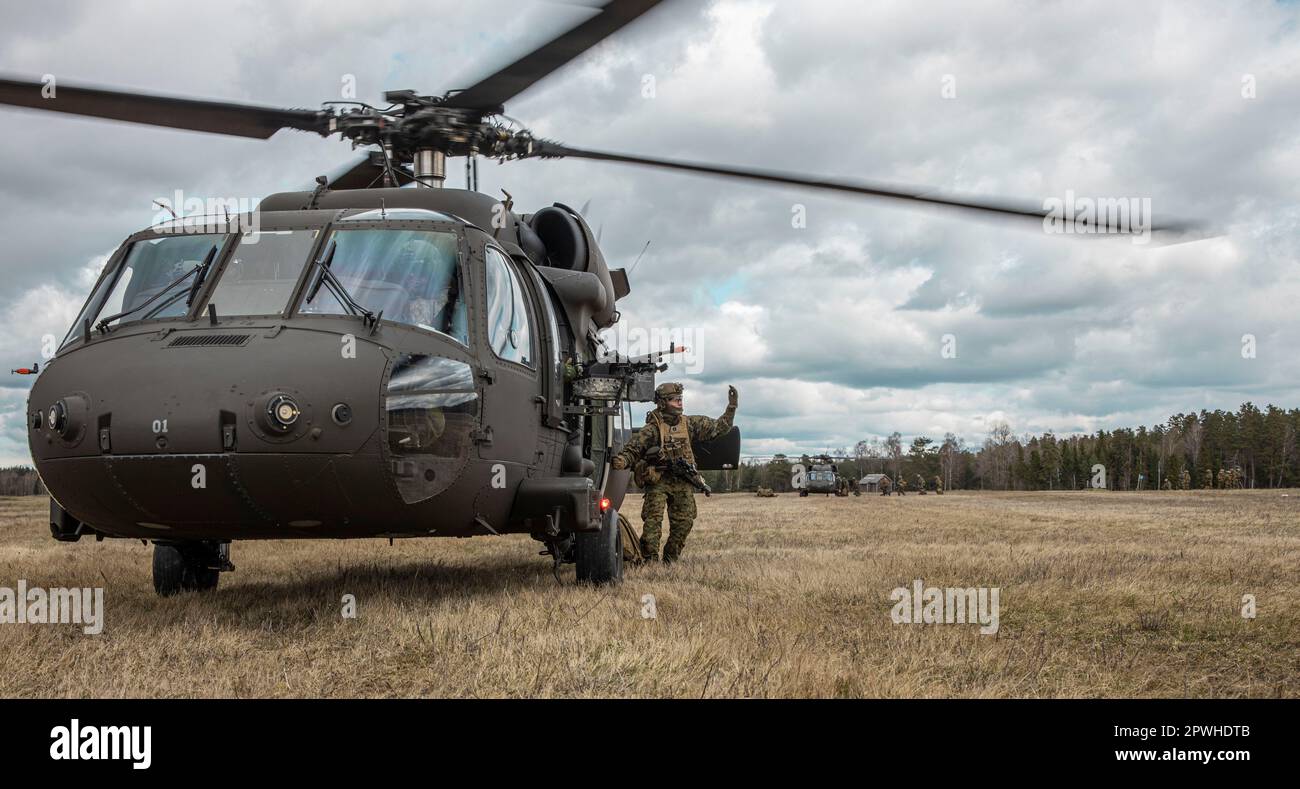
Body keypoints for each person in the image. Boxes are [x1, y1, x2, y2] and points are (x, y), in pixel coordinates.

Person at [611, 382, 737, 563]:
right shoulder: (653, 428)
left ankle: (671, 558)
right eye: (674, 400)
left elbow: (720, 427)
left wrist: (732, 407)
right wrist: (622, 460)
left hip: (683, 480)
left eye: (680, 399)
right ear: (662, 403)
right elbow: (634, 449)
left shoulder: (691, 424)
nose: (679, 402)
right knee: (653, 523)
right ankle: (649, 560)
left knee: (684, 522)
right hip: (659, 480)